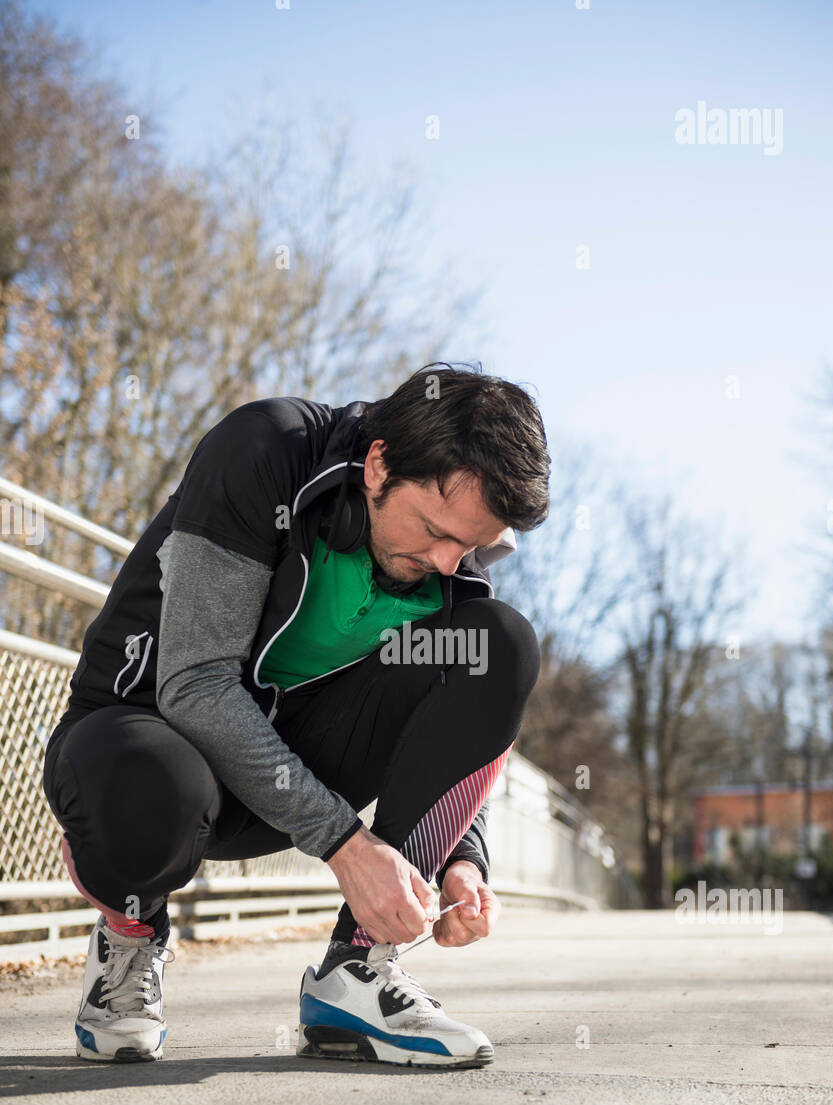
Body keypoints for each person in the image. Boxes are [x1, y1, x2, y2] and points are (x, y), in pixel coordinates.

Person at [41, 362, 549, 1068]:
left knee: (498, 641)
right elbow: (194, 686)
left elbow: (450, 715)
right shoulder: (265, 450)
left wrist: (461, 856)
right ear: (378, 465)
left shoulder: (446, 561)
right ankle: (130, 930)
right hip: (146, 745)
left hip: (286, 771)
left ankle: (355, 973)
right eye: (434, 530)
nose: (444, 560)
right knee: (148, 790)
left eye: (467, 545)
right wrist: (346, 845)